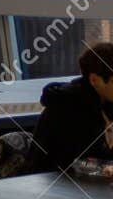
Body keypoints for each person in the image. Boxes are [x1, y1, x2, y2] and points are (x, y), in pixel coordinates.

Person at [32, 42, 113, 171]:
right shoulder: (68, 107)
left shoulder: (106, 103)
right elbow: (76, 162)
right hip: (56, 183)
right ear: (94, 80)